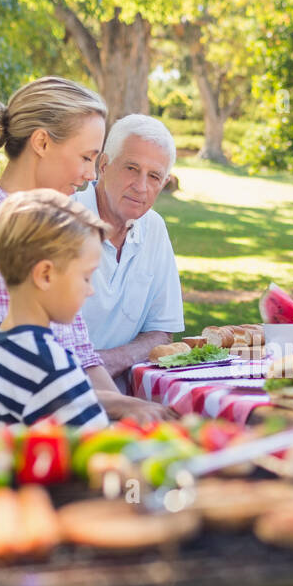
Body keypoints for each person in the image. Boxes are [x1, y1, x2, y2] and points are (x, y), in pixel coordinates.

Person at [0, 76, 175, 441]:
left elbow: (83, 358)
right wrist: (120, 409)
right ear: (42, 142)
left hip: (57, 438)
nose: (91, 175)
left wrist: (127, 419)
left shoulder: (47, 228)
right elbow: (10, 382)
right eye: (87, 157)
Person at [0, 189, 108, 431]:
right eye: (86, 277)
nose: (90, 290)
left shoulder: (2, 343)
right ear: (45, 275)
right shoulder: (52, 366)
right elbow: (98, 449)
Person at [74, 114, 185, 390]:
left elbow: (161, 332)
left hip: (121, 403)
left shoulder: (154, 228)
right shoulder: (63, 219)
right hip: (59, 401)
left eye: (154, 176)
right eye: (131, 168)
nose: (141, 186)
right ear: (103, 165)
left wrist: (109, 361)